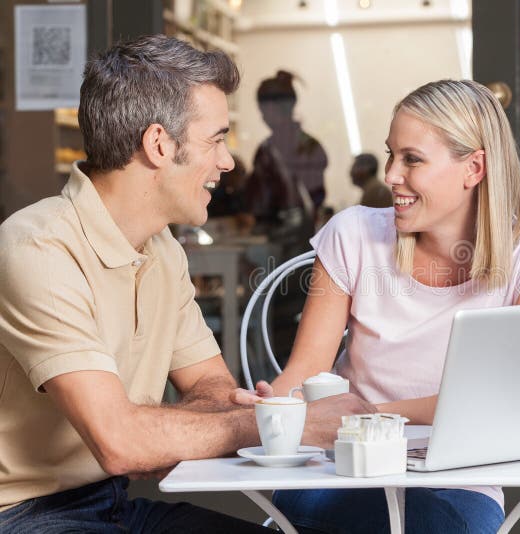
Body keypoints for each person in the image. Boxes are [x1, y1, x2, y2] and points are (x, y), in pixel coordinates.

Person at [0, 35, 372, 533]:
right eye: (216, 140)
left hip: (113, 503)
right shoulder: (37, 248)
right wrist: (289, 424)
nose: (228, 162)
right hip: (24, 514)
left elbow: (210, 385)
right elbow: (122, 444)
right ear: (159, 144)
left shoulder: (162, 249)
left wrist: (169, 430)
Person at [263, 80, 520, 533]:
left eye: (412, 159)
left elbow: (502, 402)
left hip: (460, 480)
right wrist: (272, 405)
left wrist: (372, 414)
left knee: (435, 523)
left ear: (474, 168)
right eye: (391, 154)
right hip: (349, 466)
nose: (390, 174)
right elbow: (304, 373)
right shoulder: (352, 235)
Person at [252, 70, 328, 214]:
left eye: (263, 109)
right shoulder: (311, 146)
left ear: (275, 107)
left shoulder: (267, 150)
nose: (262, 116)